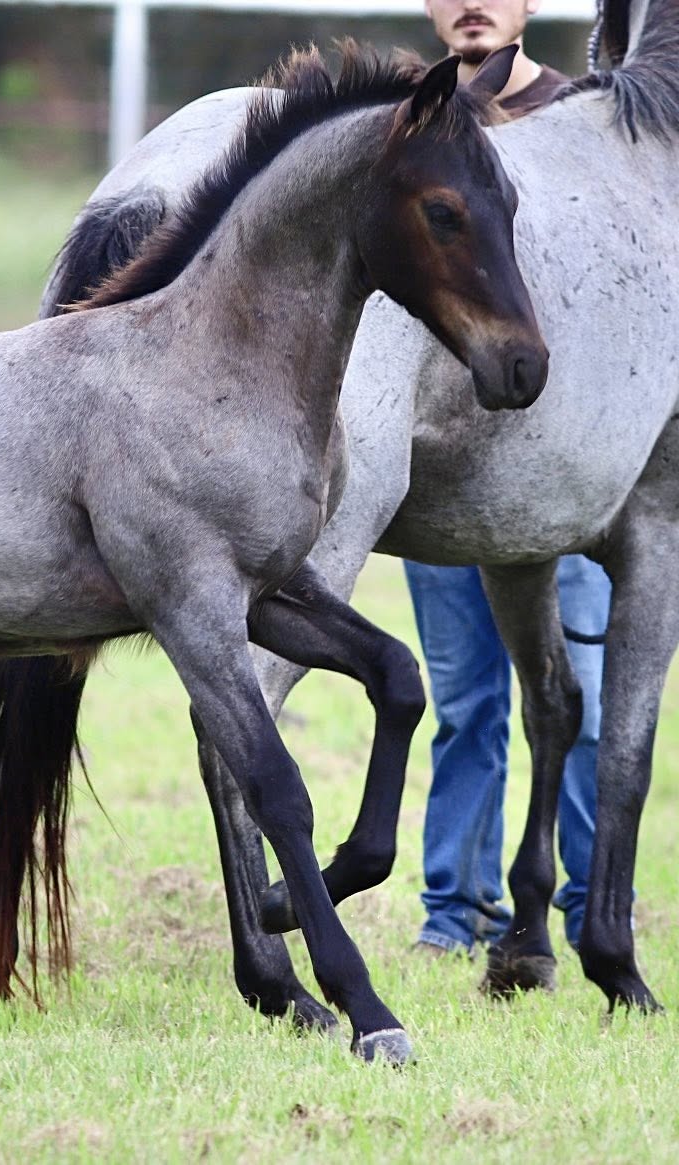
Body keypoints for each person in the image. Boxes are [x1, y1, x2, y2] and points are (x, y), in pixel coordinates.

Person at [408, 0, 612, 957]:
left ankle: (582, 911)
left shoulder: (585, 128)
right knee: (466, 705)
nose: (471, 3)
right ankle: (455, 914)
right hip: (438, 470)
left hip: (560, 470)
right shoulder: (409, 122)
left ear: (530, 4)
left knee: (581, 703)